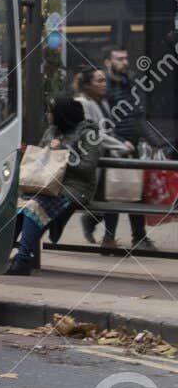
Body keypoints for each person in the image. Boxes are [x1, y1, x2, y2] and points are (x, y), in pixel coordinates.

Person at [9, 97, 103, 274]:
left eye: (51, 112)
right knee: (20, 207)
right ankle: (4, 255)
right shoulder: (52, 130)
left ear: (62, 115)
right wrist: (48, 148)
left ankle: (22, 260)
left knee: (34, 206)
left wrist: (63, 150)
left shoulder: (89, 134)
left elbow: (88, 168)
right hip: (47, 184)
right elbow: (42, 156)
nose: (48, 115)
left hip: (76, 188)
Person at [95, 47, 156, 251]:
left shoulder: (129, 83)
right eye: (119, 58)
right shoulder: (105, 88)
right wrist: (118, 141)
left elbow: (138, 117)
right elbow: (102, 121)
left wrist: (155, 142)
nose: (124, 61)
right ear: (108, 62)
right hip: (116, 148)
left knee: (134, 192)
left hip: (132, 146)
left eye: (126, 58)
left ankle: (137, 237)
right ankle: (111, 238)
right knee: (117, 192)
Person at [75, 66, 137, 251]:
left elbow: (107, 131)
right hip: (90, 162)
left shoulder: (101, 102)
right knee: (84, 201)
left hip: (105, 158)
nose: (104, 84)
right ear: (87, 85)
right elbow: (94, 133)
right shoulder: (82, 103)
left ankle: (108, 238)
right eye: (99, 80)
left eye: (104, 80)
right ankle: (90, 221)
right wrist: (120, 145)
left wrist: (121, 143)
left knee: (111, 199)